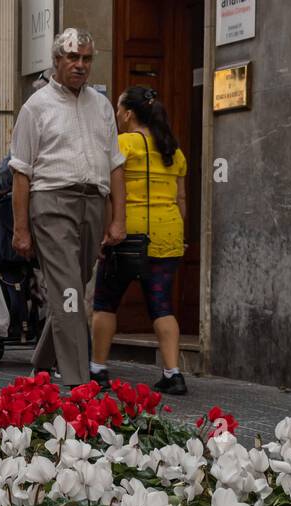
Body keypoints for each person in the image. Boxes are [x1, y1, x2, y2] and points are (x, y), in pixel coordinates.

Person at [9, 28, 126, 388]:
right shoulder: (36, 106)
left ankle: (42, 364)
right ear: (57, 61)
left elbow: (115, 165)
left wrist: (119, 218)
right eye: (73, 58)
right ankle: (79, 382)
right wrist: (20, 228)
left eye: (86, 59)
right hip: (51, 202)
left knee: (69, 290)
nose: (80, 65)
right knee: (70, 292)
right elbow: (21, 172)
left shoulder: (101, 105)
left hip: (93, 203)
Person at [90, 86, 189, 394]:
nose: (117, 116)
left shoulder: (122, 145)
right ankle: (173, 373)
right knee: (161, 305)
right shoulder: (173, 149)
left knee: (106, 301)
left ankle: (98, 369)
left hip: (127, 234)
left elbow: (107, 191)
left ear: (129, 113)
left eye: (119, 110)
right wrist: (178, 233)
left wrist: (106, 230)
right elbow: (181, 199)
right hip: (167, 234)